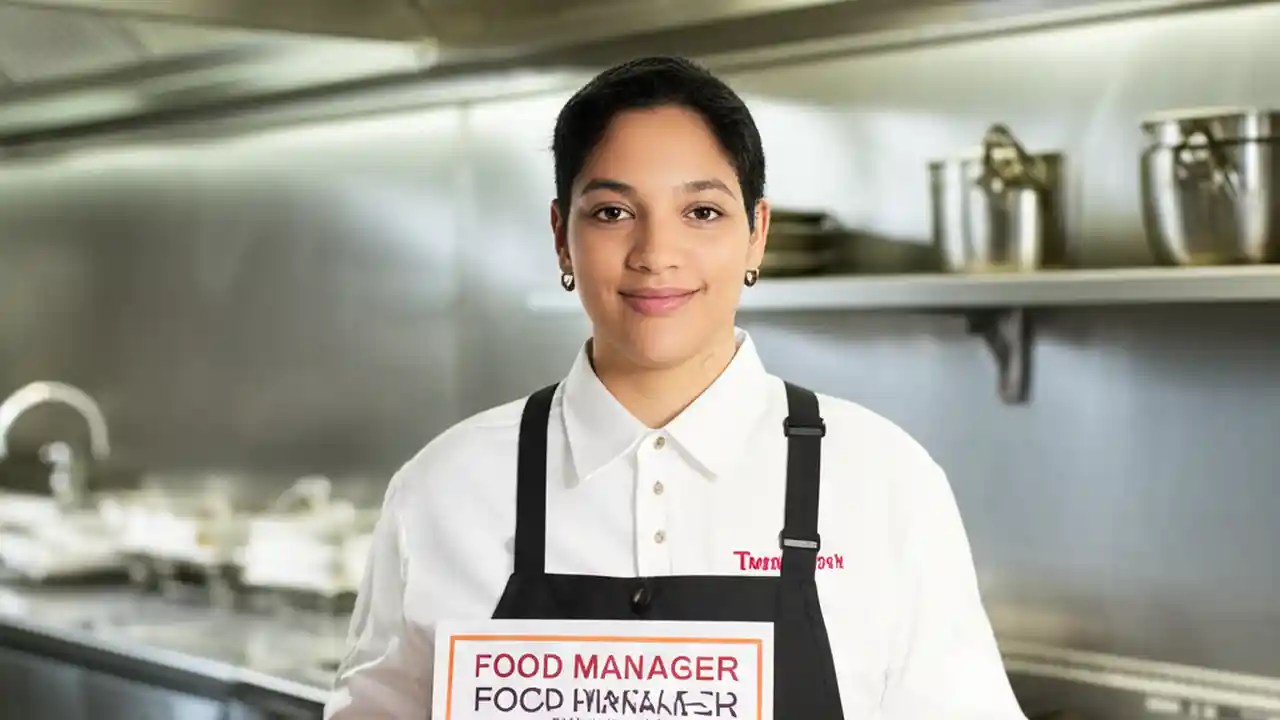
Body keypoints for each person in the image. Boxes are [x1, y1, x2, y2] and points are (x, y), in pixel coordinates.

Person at [325, 56, 1027, 720]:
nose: (657, 254)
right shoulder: (446, 488)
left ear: (757, 233)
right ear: (561, 238)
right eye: (611, 212)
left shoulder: (884, 479)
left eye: (702, 212)